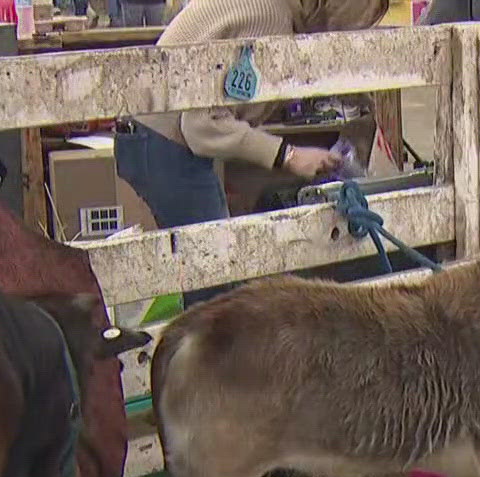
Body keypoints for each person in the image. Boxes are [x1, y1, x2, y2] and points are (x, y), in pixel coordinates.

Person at [112, 0, 387, 308]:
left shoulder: (275, 11)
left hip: (153, 138)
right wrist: (289, 154)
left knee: (210, 272)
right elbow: (201, 125)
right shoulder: (270, 20)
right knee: (215, 281)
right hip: (164, 145)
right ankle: (206, 354)